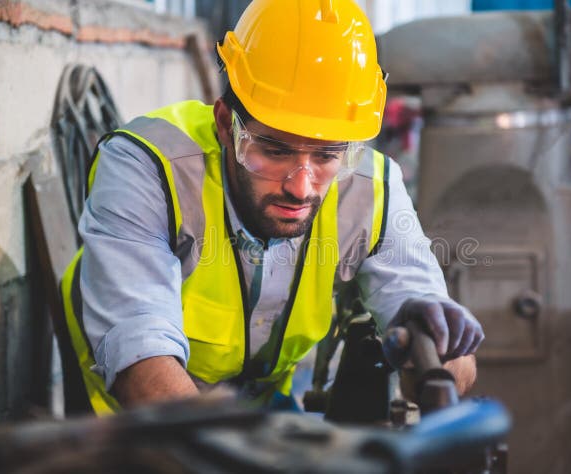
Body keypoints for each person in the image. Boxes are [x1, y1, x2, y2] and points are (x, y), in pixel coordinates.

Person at [60, 0, 484, 414]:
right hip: (133, 431)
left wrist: (436, 344)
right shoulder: (147, 167)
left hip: (260, 416)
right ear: (226, 124)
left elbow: (453, 371)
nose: (301, 188)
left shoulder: (373, 189)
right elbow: (140, 359)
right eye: (274, 150)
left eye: (326, 155)